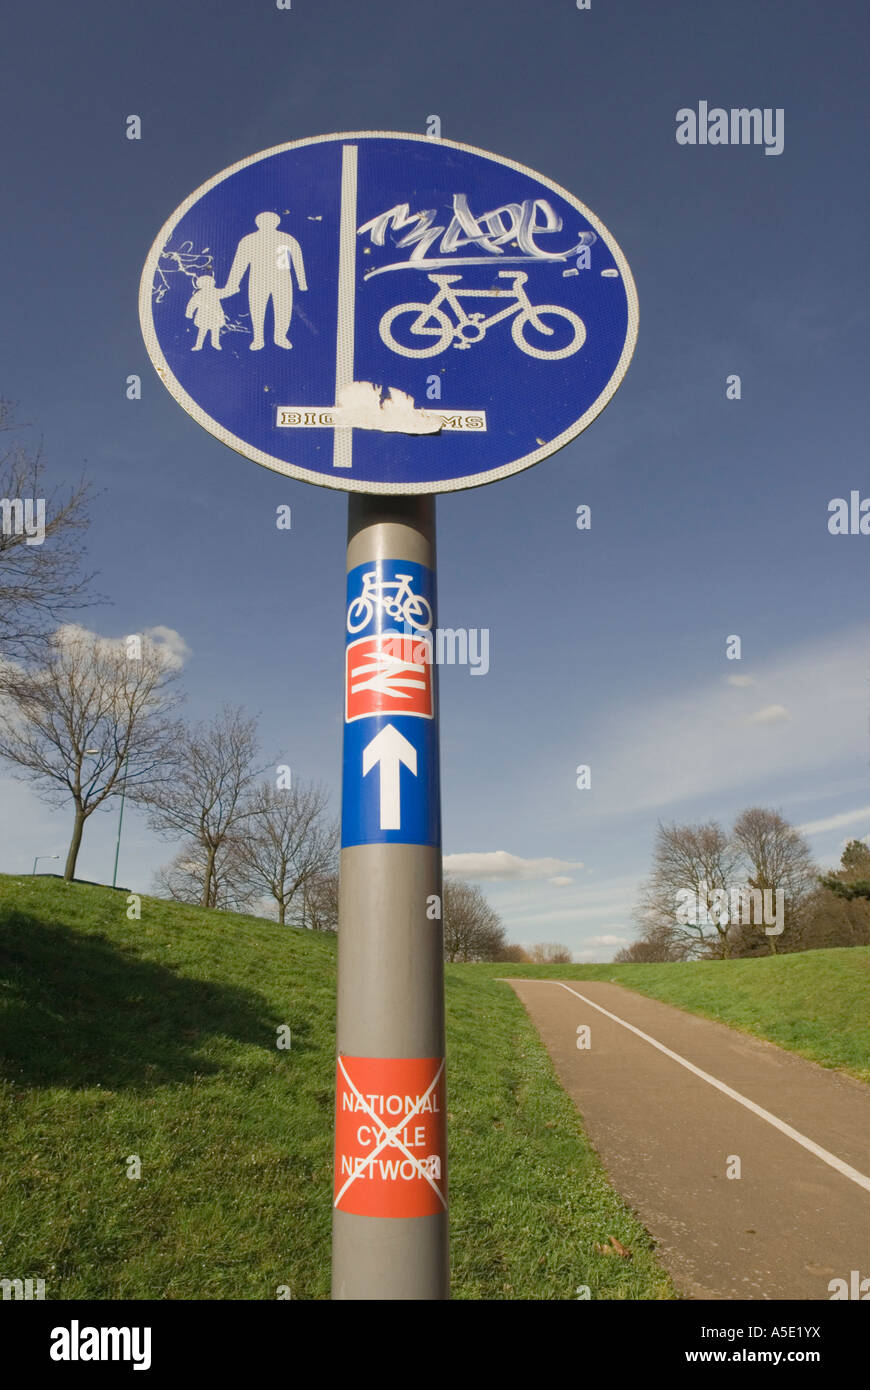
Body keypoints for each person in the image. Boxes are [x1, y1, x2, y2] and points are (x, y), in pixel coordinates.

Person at [219, 212, 307, 350]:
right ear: (258, 223)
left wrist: (302, 282)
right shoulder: (249, 240)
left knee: (283, 309)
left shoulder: (286, 239)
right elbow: (239, 264)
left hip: (282, 279)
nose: (268, 224)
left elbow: (298, 260)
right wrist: (232, 284)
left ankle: (280, 337)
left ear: (276, 223)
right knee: (257, 309)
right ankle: (258, 339)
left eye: (270, 222)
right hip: (259, 279)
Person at [184, 274, 228, 350]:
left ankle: (215, 344)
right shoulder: (199, 294)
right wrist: (189, 312)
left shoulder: (215, 292)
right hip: (204, 315)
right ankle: (198, 345)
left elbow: (224, 293)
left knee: (215, 330)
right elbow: (192, 303)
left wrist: (231, 290)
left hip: (215, 315)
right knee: (203, 331)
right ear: (201, 285)